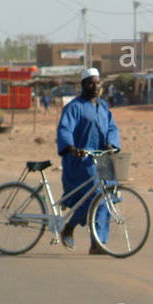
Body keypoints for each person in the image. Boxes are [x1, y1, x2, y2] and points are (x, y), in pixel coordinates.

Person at [55, 67, 120, 254]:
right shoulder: (74, 107)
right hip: (82, 161)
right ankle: (70, 226)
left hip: (103, 159)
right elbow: (65, 129)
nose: (95, 85)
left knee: (107, 198)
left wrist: (112, 144)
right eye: (90, 82)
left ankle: (98, 243)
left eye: (97, 82)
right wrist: (71, 147)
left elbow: (112, 129)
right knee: (94, 197)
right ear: (83, 85)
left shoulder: (103, 107)